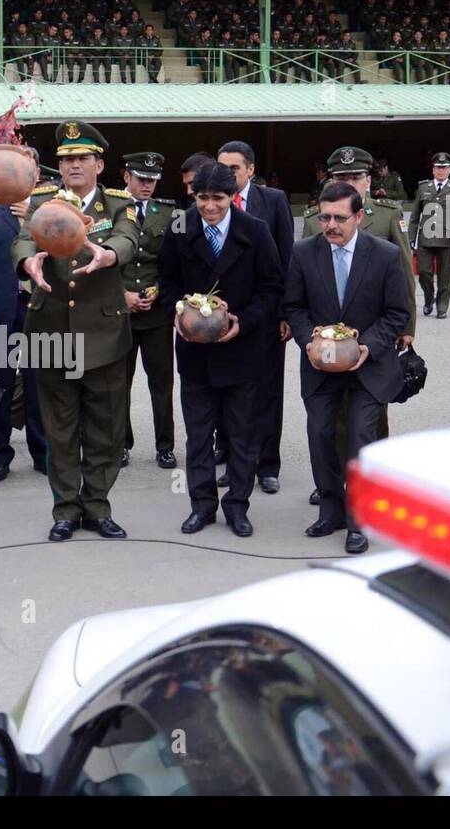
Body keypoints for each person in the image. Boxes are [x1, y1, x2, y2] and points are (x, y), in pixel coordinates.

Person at [12, 121, 140, 542]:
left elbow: (127, 240)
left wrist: (108, 255)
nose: (73, 166)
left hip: (102, 333)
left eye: (82, 158)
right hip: (51, 331)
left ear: (100, 164)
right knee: (60, 427)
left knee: (104, 427)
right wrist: (28, 261)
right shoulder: (43, 201)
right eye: (66, 159)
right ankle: (65, 509)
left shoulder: (118, 204)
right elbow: (24, 239)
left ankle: (98, 507)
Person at [283, 182, 410, 555]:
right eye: (325, 217)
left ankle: (359, 520)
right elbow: (294, 307)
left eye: (340, 217)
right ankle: (331, 510)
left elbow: (397, 312)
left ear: (358, 216)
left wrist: (366, 345)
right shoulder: (304, 253)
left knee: (359, 438)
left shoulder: (384, 255)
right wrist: (309, 341)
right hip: (320, 366)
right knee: (320, 435)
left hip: (369, 369)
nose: (331, 225)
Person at [158, 162, 282, 537]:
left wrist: (243, 321)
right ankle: (202, 506)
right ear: (192, 196)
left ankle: (237, 507)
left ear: (233, 197)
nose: (209, 206)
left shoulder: (255, 231)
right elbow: (165, 280)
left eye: (218, 198)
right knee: (198, 435)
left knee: (243, 434)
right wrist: (177, 315)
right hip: (195, 351)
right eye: (202, 198)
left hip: (242, 351)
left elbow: (272, 287)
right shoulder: (179, 229)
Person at [216, 141, 293, 494]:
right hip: (222, 317)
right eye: (222, 166)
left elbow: (286, 260)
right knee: (230, 392)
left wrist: (284, 313)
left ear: (250, 170)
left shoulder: (273, 201)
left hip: (265, 314)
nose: (227, 173)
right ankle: (235, 463)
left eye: (234, 168)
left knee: (267, 391)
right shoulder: (211, 201)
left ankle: (268, 464)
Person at [0, 181, 48, 482]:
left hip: (40, 307)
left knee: (39, 383)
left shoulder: (50, 207)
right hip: (1, 308)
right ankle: (0, 454)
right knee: (1, 385)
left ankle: (42, 453)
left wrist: (31, 216)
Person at [119, 152, 177, 470]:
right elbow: (100, 258)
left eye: (152, 181)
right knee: (119, 383)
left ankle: (164, 446)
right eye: (141, 179)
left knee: (162, 383)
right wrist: (121, 294)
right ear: (126, 176)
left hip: (156, 315)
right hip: (121, 312)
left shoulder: (167, 213)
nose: (147, 186)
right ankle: (121, 444)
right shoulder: (113, 209)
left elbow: (172, 262)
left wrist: (160, 290)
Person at [407, 152, 450, 319]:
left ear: (449, 170)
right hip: (426, 238)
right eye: (438, 168)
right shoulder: (424, 188)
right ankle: (428, 298)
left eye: (444, 168)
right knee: (424, 272)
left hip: (448, 240)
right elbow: (415, 216)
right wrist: (411, 238)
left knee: (445, 276)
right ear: (433, 170)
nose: (441, 171)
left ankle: (442, 307)